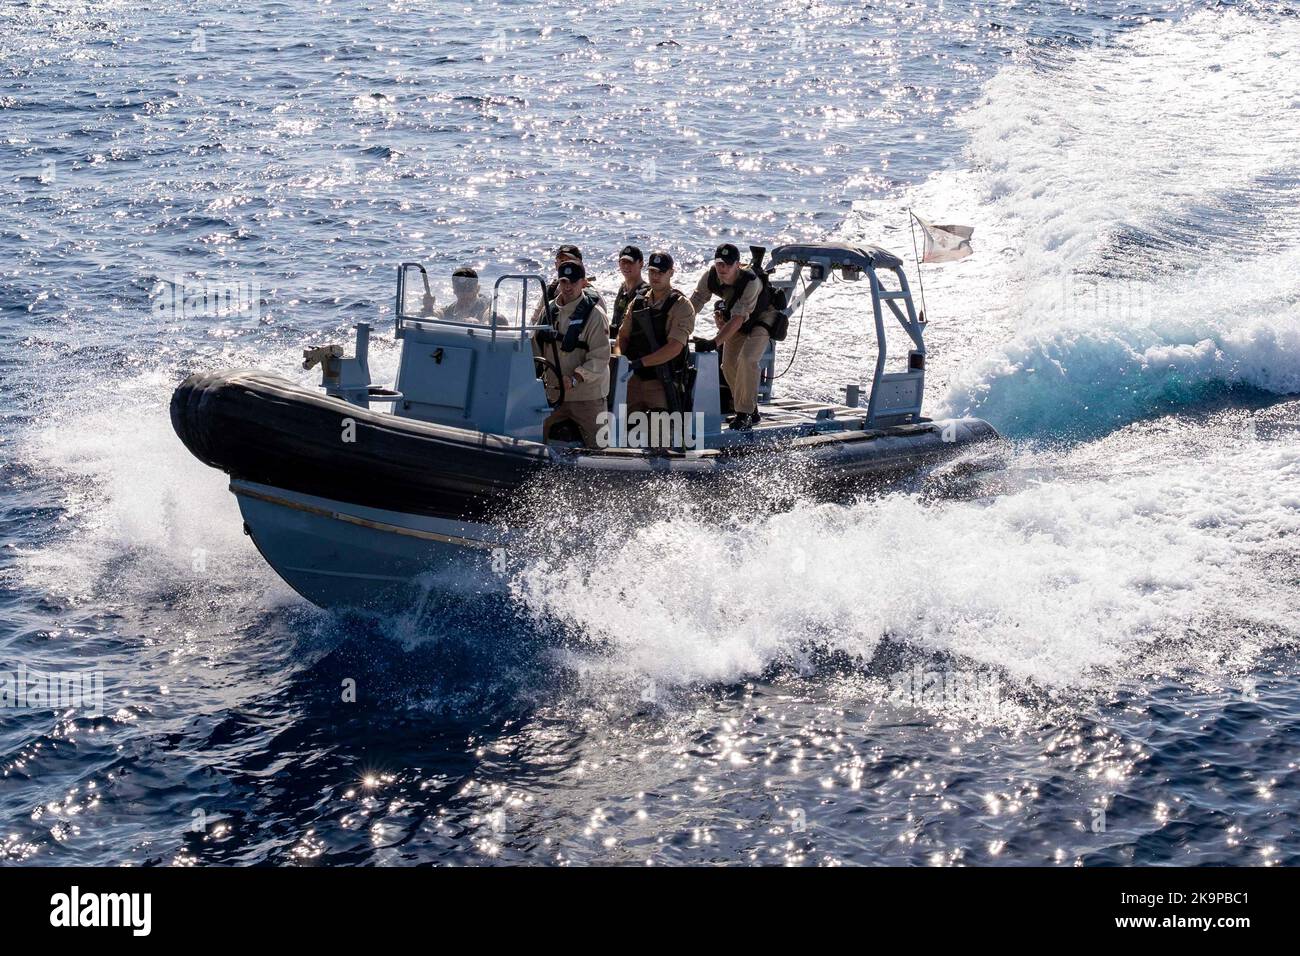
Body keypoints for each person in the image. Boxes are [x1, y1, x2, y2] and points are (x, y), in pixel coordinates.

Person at [689, 242, 779, 430]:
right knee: (728, 364)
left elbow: (738, 319)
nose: (722, 268)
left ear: (737, 265)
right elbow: (695, 302)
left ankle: (744, 413)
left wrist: (714, 343)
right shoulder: (710, 276)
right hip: (739, 317)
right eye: (719, 263)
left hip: (762, 317)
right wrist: (680, 327)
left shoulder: (750, 282)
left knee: (747, 359)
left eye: (728, 264)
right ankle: (750, 409)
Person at [532, 260, 611, 447]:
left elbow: (600, 358)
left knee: (599, 447)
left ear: (583, 283)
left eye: (573, 282)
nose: (567, 287)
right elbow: (536, 345)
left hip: (587, 397)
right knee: (533, 435)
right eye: (563, 282)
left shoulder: (596, 316)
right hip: (553, 395)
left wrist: (576, 377)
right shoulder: (549, 310)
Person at [617, 250, 695, 415]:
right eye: (652, 271)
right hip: (633, 379)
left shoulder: (681, 306)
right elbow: (623, 336)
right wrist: (620, 359)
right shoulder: (637, 303)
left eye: (661, 272)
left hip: (662, 381)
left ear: (671, 273)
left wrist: (640, 362)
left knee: (662, 431)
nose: (655, 276)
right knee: (621, 428)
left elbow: (674, 347)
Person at [609, 245, 650, 342]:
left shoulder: (646, 292)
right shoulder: (623, 289)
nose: (626, 266)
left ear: (641, 264)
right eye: (623, 262)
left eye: (630, 262)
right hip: (616, 342)